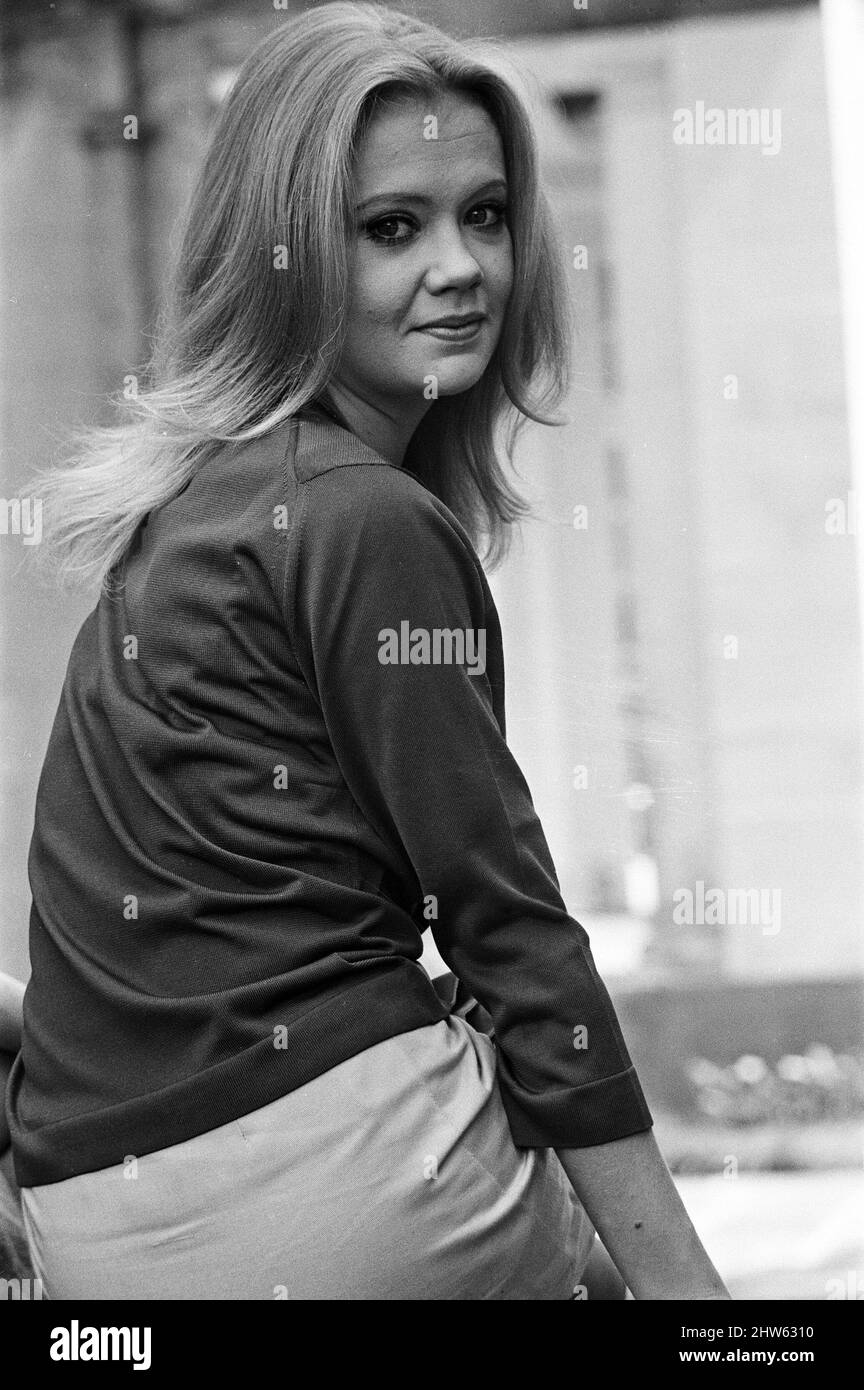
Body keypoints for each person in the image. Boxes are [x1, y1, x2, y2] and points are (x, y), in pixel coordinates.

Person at [5, 2, 729, 1300]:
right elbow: (516, 936)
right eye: (392, 227)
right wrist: (700, 1300)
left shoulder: (189, 512)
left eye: (488, 215)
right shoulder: (362, 516)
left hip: (98, 1224)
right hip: (343, 1181)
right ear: (281, 257)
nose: (462, 267)